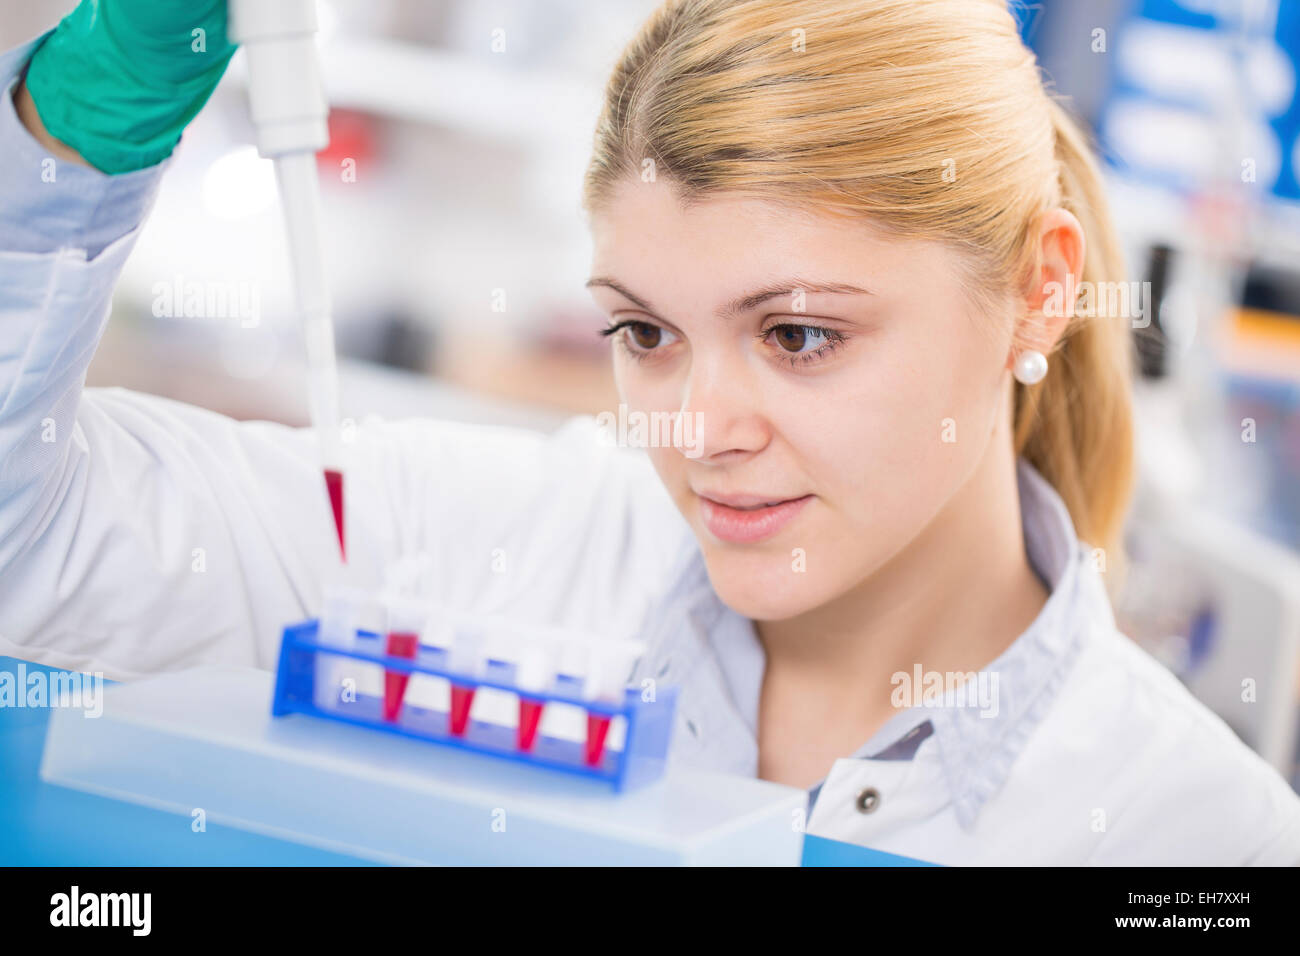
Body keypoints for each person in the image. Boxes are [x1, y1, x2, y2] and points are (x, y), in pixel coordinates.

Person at [2, 0, 1297, 865]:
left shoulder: (1197, 841)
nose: (697, 431)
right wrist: (75, 143)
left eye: (797, 336)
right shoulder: (479, 551)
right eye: (646, 333)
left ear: (1039, 290)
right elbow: (32, 541)